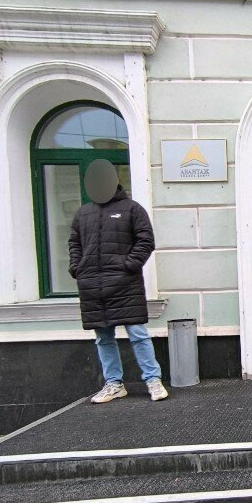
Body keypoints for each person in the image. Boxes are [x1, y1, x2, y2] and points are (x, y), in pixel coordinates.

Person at [68, 159, 169, 403]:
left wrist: (128, 266)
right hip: (92, 286)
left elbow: (146, 240)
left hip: (125, 284)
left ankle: (153, 380)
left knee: (138, 333)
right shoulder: (83, 213)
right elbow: (74, 243)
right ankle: (114, 384)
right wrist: (77, 269)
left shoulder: (132, 209)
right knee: (103, 338)